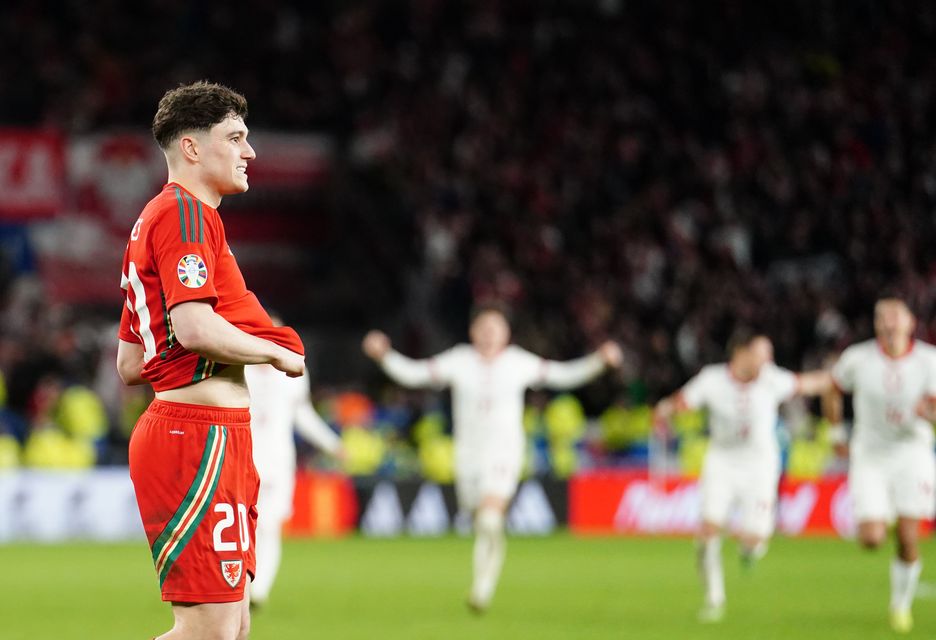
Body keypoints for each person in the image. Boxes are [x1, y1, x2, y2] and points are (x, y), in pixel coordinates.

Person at [116, 81, 306, 640]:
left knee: (235, 626)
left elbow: (131, 362)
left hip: (207, 433)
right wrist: (275, 351)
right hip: (196, 438)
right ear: (193, 148)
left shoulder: (155, 221)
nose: (250, 152)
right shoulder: (186, 215)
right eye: (237, 137)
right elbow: (194, 327)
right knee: (210, 632)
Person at [362, 308, 623, 613]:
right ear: (473, 332)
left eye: (494, 328)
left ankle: (483, 586)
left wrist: (598, 361)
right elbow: (415, 374)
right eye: (482, 327)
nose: (488, 333)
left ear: (506, 334)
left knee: (490, 517)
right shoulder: (459, 360)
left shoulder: (518, 362)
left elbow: (562, 375)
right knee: (482, 521)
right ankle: (482, 581)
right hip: (467, 455)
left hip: (504, 452)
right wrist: (385, 356)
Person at [653, 330, 832, 623]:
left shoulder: (772, 379)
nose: (768, 360)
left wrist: (836, 379)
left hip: (760, 466)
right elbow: (683, 400)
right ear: (741, 353)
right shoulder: (712, 380)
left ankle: (750, 548)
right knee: (707, 530)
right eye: (763, 353)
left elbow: (806, 383)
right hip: (722, 461)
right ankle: (714, 599)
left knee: (753, 538)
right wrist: (666, 409)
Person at [827, 297, 936, 634]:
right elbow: (832, 389)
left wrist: (929, 413)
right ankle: (886, 514)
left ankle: (900, 605)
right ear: (876, 324)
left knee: (907, 537)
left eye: (895, 316)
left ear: (909, 323)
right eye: (881, 317)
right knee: (872, 538)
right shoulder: (857, 359)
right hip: (870, 454)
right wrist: (835, 430)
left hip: (912, 452)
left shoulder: (929, 361)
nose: (889, 322)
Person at [245, 319, 344, 608]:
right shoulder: (238, 369)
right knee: (246, 528)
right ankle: (245, 586)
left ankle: (259, 590)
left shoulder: (291, 371)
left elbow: (303, 415)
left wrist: (332, 444)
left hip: (277, 460)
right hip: (242, 460)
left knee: (269, 524)